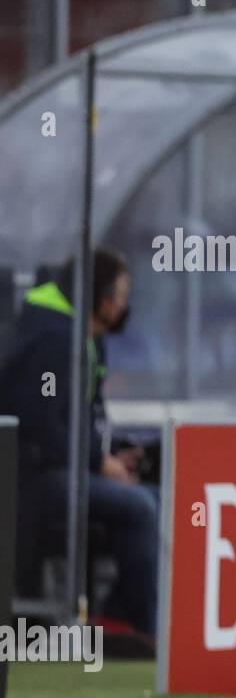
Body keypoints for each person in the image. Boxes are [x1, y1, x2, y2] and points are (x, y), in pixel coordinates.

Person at [0, 249, 159, 651]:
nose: (124, 306)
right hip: (37, 477)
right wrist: (98, 462)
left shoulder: (89, 342)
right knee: (139, 508)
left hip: (73, 467)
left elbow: (85, 419)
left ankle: (119, 619)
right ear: (100, 298)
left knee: (156, 498)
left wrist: (114, 453)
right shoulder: (53, 341)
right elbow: (40, 421)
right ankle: (142, 631)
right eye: (120, 295)